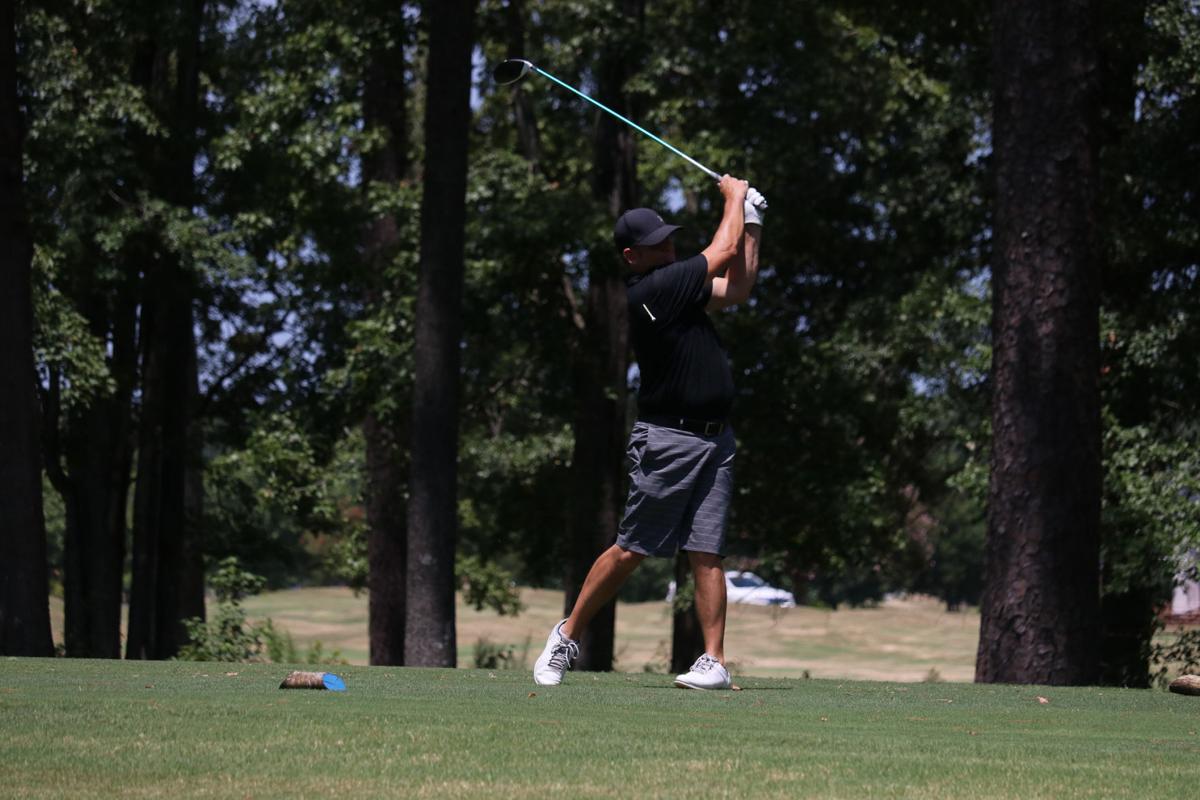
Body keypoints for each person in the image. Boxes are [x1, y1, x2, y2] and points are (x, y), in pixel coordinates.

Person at [534, 175, 765, 690]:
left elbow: (741, 285)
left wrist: (753, 223)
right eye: (656, 244)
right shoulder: (653, 290)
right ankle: (566, 635)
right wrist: (733, 199)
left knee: (707, 550)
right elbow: (721, 249)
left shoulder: (681, 290)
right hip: (668, 440)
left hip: (715, 441)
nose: (668, 247)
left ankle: (714, 662)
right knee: (633, 548)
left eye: (669, 240)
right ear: (631, 256)